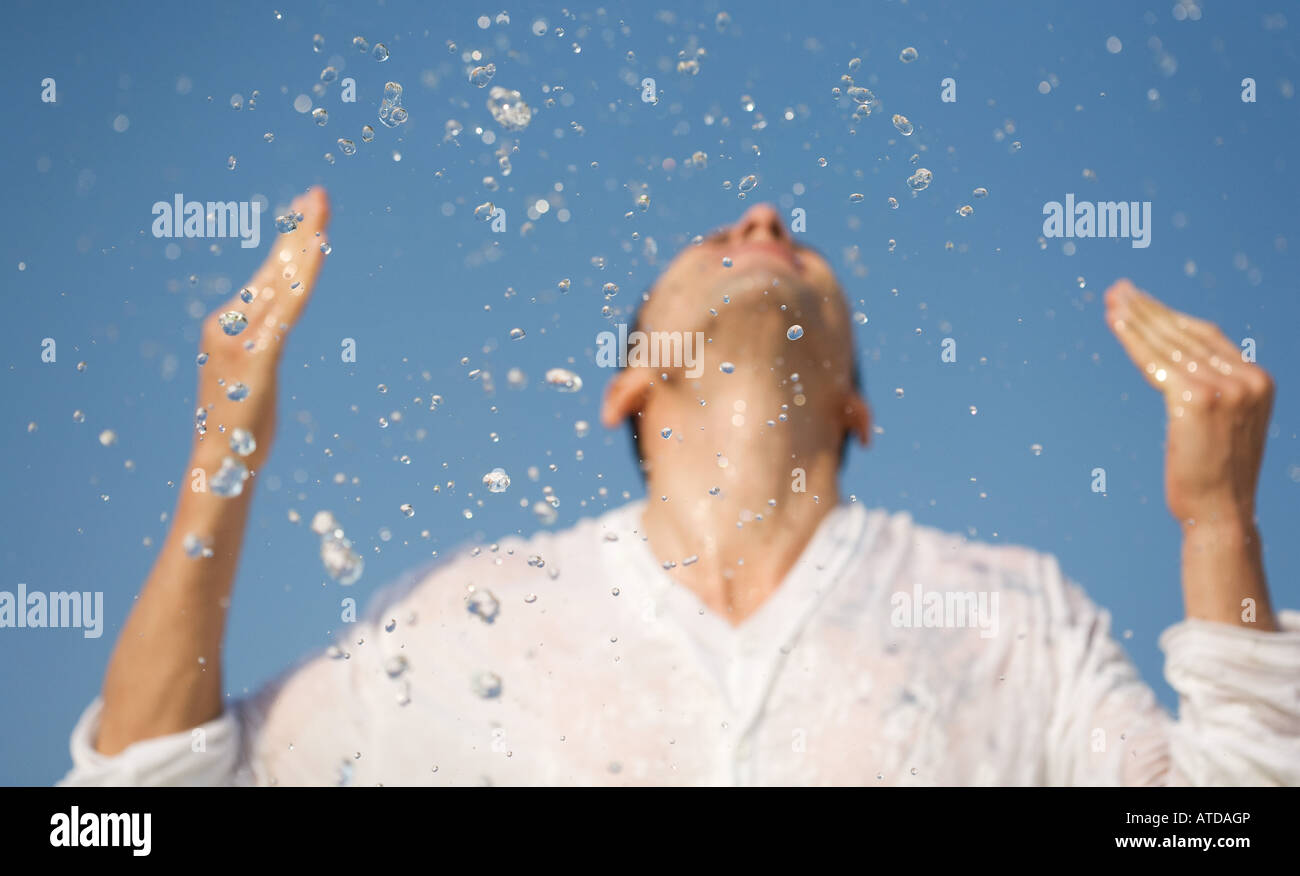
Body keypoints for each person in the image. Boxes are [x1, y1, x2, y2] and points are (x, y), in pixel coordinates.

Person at [61, 188, 1299, 785]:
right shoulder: (469, 611)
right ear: (625, 386)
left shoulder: (1009, 612)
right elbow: (122, 813)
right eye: (714, 233)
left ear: (856, 406)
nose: (761, 212)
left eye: (791, 240)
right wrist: (223, 457)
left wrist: (1216, 525)